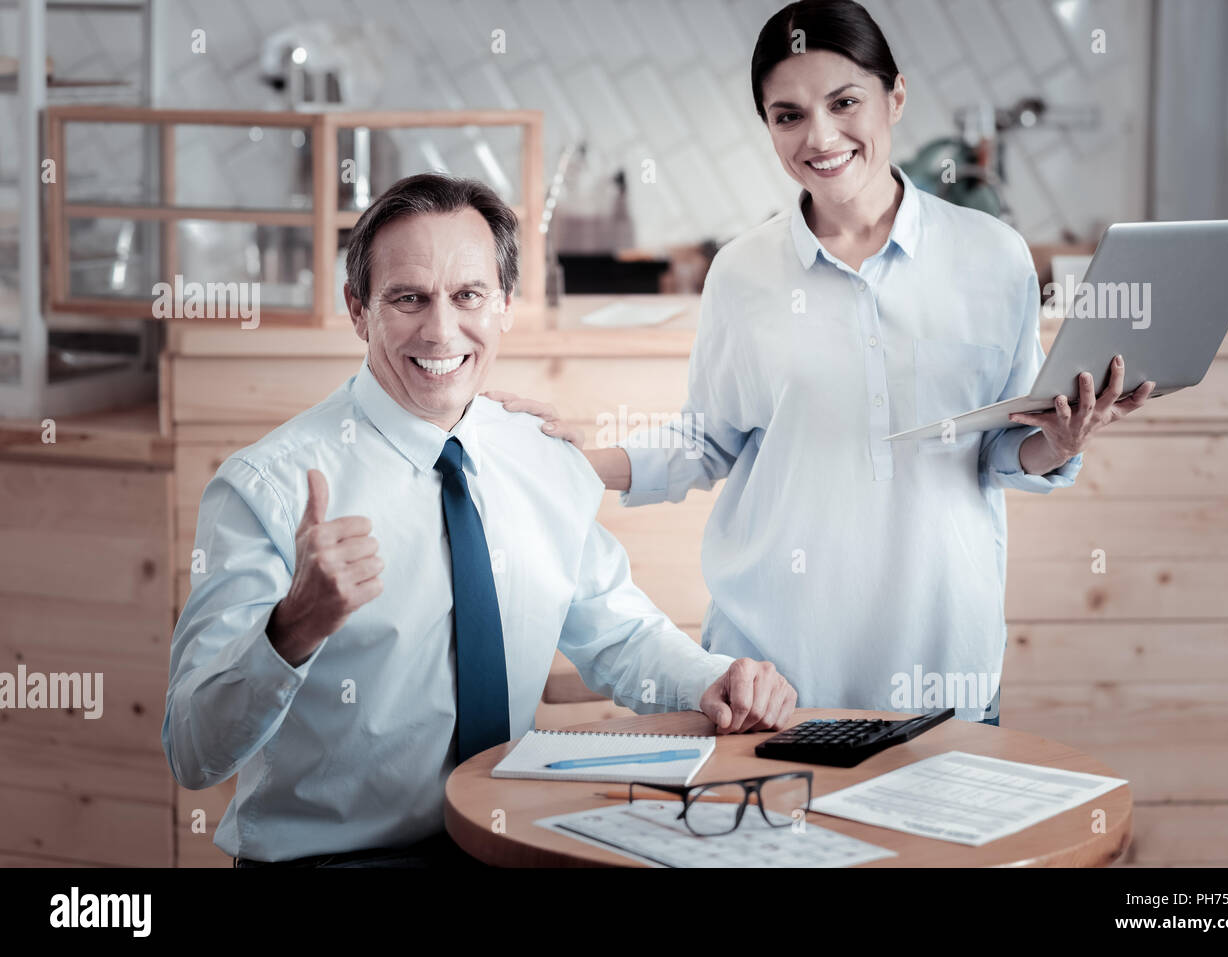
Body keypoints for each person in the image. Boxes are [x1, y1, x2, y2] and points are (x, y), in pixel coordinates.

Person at [489, 0, 1155, 727]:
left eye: (845, 102)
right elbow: (706, 441)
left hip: (943, 669)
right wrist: (581, 461)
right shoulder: (743, 272)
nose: (821, 136)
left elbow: (998, 445)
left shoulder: (994, 258)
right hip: (775, 676)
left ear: (894, 96)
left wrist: (1055, 443)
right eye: (788, 115)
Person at [162, 173, 797, 868]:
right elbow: (193, 750)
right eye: (407, 298)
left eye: (467, 295)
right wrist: (293, 628)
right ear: (357, 309)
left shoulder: (539, 455)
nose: (440, 329)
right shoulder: (269, 487)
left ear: (504, 306)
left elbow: (619, 631)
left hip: (510, 842)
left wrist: (710, 679)